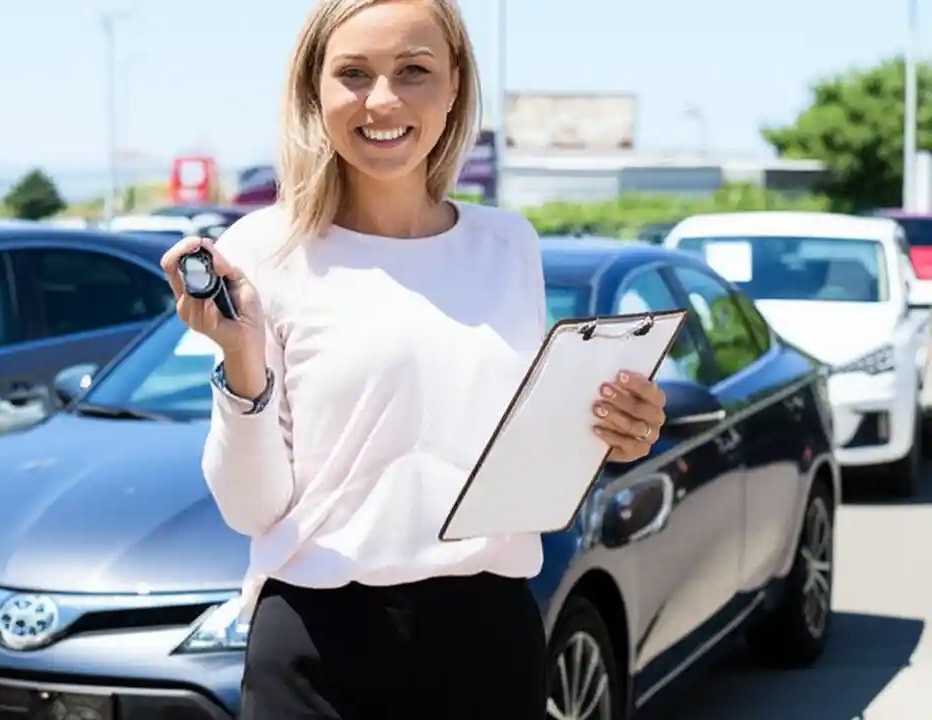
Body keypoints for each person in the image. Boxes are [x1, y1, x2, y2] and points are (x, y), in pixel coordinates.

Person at [159, 1, 667, 717]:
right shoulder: (261, 252)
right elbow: (252, 510)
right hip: (315, 641)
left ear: (456, 86)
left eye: (414, 71)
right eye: (354, 74)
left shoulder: (507, 246)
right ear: (314, 90)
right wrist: (241, 363)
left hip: (489, 636)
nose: (384, 100)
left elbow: (526, 469)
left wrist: (615, 433)